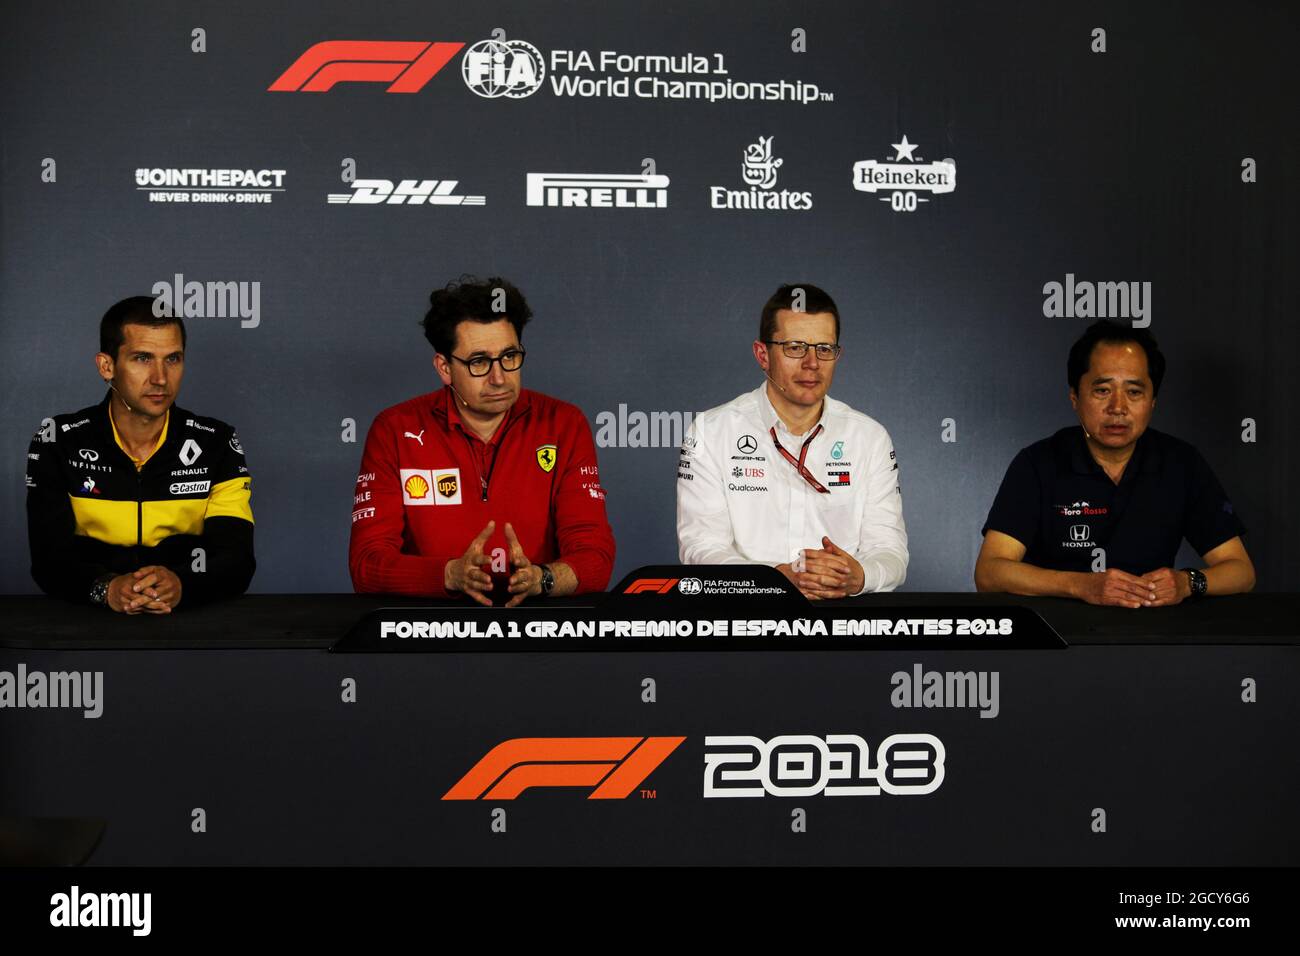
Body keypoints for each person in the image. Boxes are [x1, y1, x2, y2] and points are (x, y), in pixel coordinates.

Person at [348, 275, 615, 605]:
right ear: (444, 368)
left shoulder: (564, 424)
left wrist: (542, 578)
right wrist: (449, 575)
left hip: (539, 632)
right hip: (428, 635)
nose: (499, 376)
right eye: (479, 362)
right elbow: (367, 565)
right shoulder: (393, 429)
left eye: (510, 356)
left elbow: (595, 557)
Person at [974, 319, 1254, 607]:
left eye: (1134, 392)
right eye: (1102, 390)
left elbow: (1241, 571)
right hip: (1056, 637)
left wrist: (1187, 582)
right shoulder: (1038, 463)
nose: (1118, 407)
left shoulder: (1181, 463)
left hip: (1151, 639)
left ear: (1153, 401)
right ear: (1075, 397)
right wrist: (1080, 585)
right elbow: (990, 572)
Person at [676, 283, 908, 598]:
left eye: (824, 348)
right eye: (795, 347)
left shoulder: (870, 438)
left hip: (842, 633)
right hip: (746, 625)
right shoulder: (709, 431)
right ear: (762, 354)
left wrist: (860, 575)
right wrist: (773, 581)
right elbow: (701, 548)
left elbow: (890, 552)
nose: (812, 363)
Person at [26, 296, 255, 612]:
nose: (160, 378)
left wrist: (182, 585)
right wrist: (107, 588)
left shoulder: (217, 442)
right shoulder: (58, 440)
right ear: (107, 366)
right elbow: (49, 560)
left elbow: (237, 559)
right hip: (86, 626)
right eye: (142, 358)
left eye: (172, 359)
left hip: (188, 625)